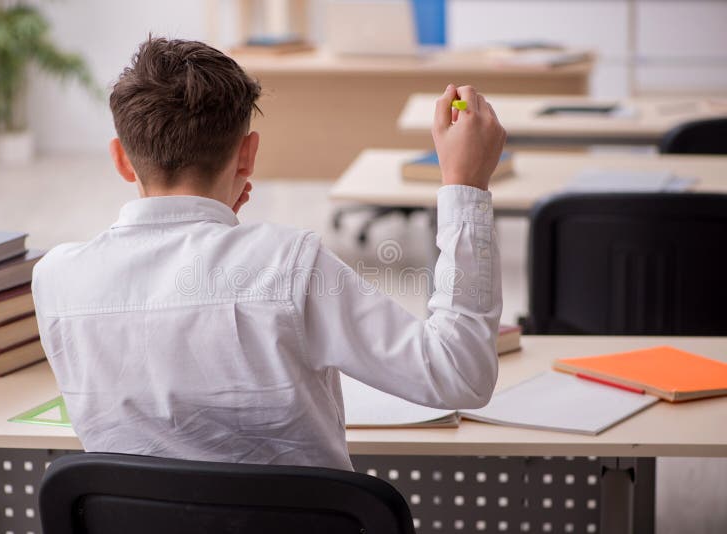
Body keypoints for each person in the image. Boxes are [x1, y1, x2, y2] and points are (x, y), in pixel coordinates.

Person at [32, 37, 506, 471]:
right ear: (247, 155)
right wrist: (465, 187)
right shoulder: (289, 264)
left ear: (120, 158)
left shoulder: (55, 278)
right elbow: (460, 375)